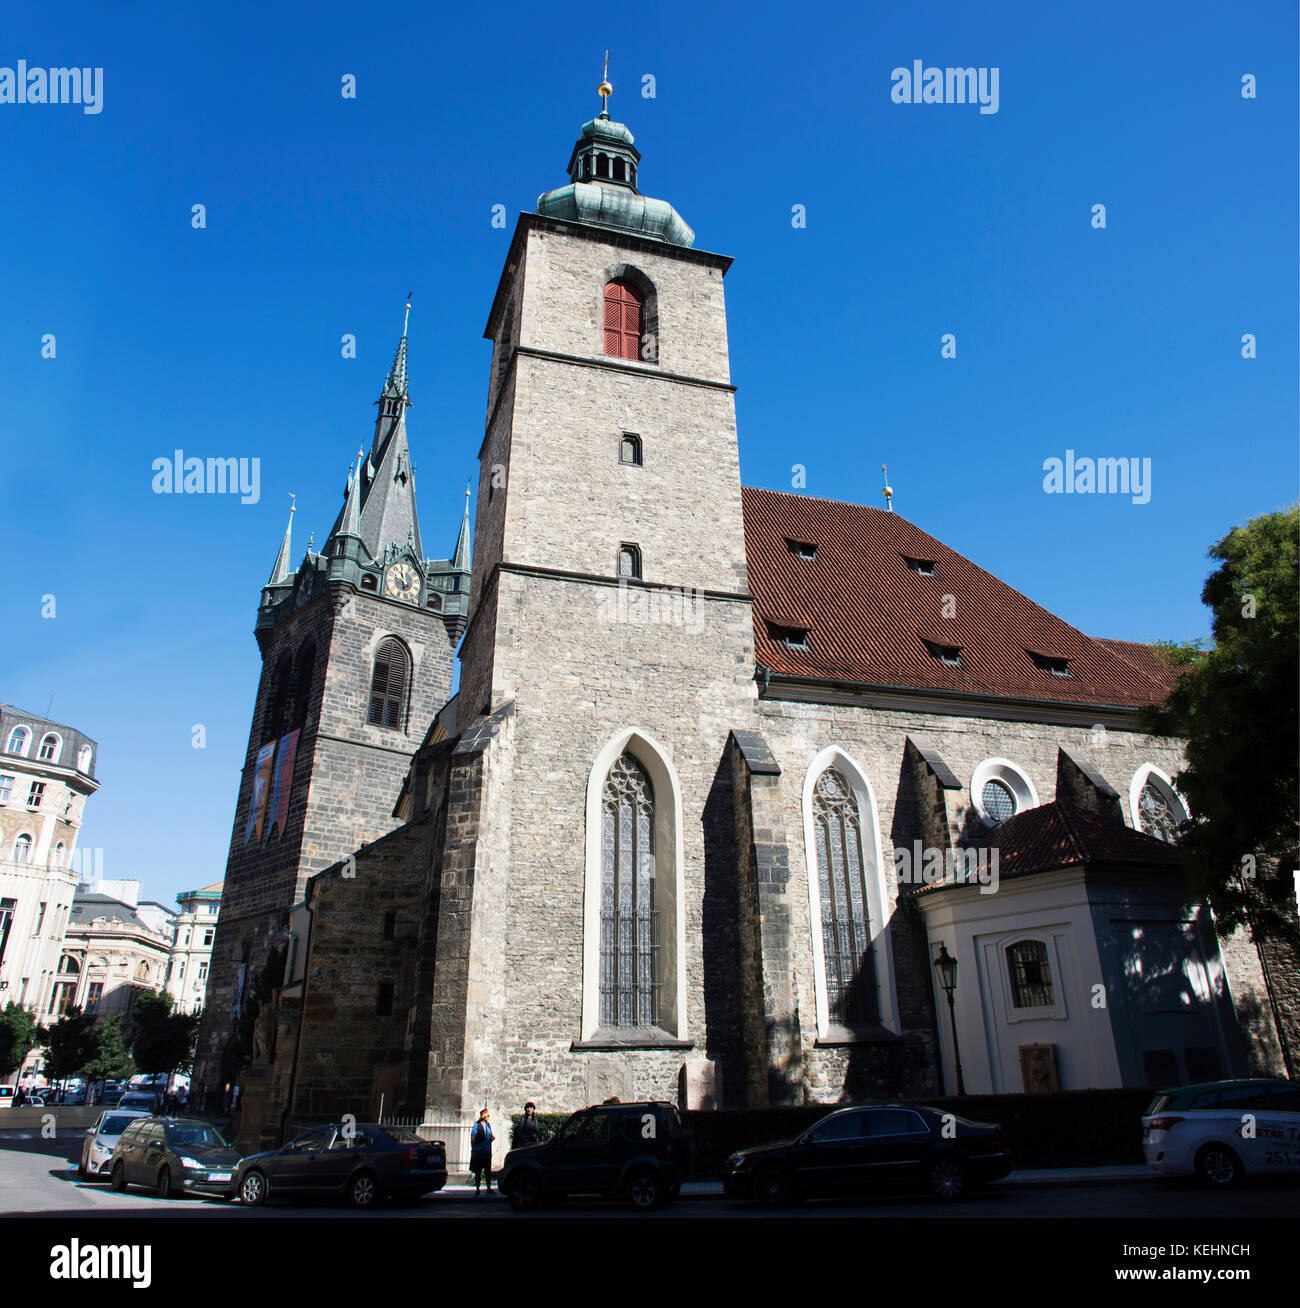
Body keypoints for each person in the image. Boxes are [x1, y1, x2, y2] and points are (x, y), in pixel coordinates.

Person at [469, 1108, 494, 1194]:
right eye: (487, 1116)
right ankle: (477, 1188)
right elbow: (473, 1137)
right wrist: (473, 1149)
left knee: (488, 1169)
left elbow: (490, 1135)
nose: (488, 1118)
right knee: (478, 1170)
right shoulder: (477, 1125)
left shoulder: (488, 1125)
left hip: (487, 1150)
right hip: (479, 1150)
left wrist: (492, 1138)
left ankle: (488, 1187)